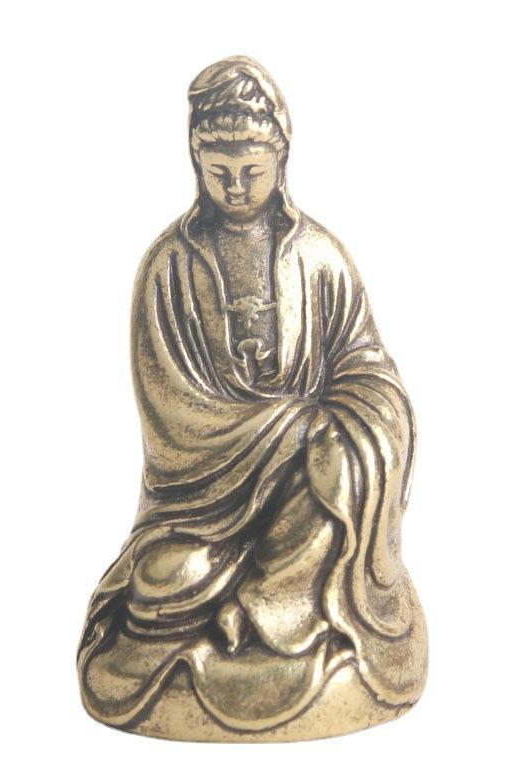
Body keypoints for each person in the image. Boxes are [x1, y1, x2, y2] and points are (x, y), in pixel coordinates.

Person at [78, 56, 427, 739]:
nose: (236, 187)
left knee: (336, 474)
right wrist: (286, 425)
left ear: (281, 159)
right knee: (162, 580)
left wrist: (344, 425)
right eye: (220, 172)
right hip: (201, 508)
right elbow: (173, 416)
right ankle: (242, 613)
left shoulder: (320, 257)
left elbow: (368, 369)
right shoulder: (168, 267)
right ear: (196, 163)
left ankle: (271, 606)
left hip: (303, 494)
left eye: (251, 171)